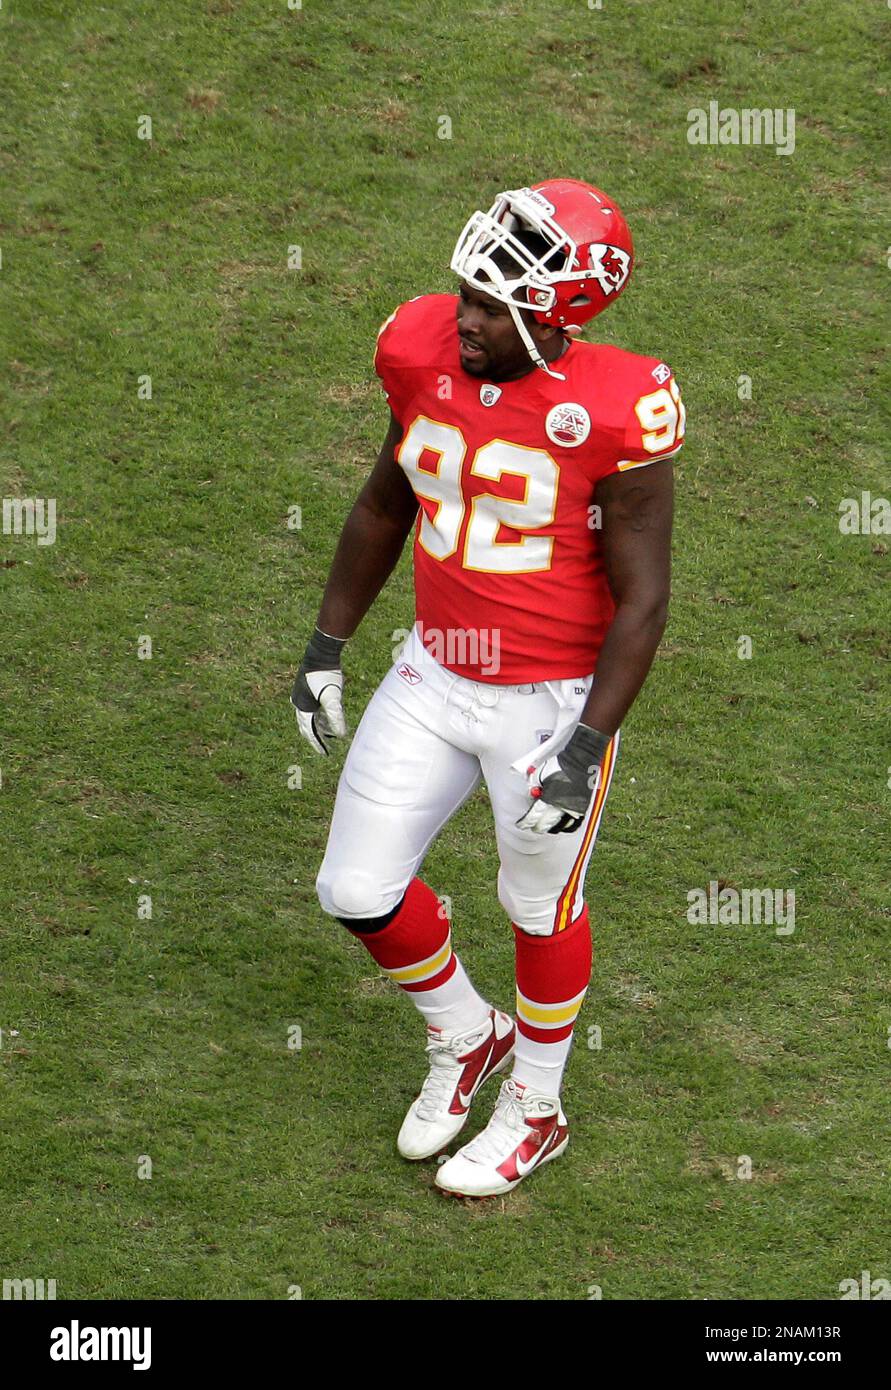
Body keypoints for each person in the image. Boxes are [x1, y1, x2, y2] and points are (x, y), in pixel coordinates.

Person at [292, 179, 685, 1197]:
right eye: (465, 290)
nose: (463, 315)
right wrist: (328, 644)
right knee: (353, 887)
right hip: (432, 670)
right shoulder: (420, 351)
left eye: (491, 304)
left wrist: (589, 744)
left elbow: (644, 600)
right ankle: (468, 1033)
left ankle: (538, 1106)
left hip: (550, 701)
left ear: (560, 314)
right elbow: (386, 502)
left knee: (539, 905)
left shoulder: (617, 405)